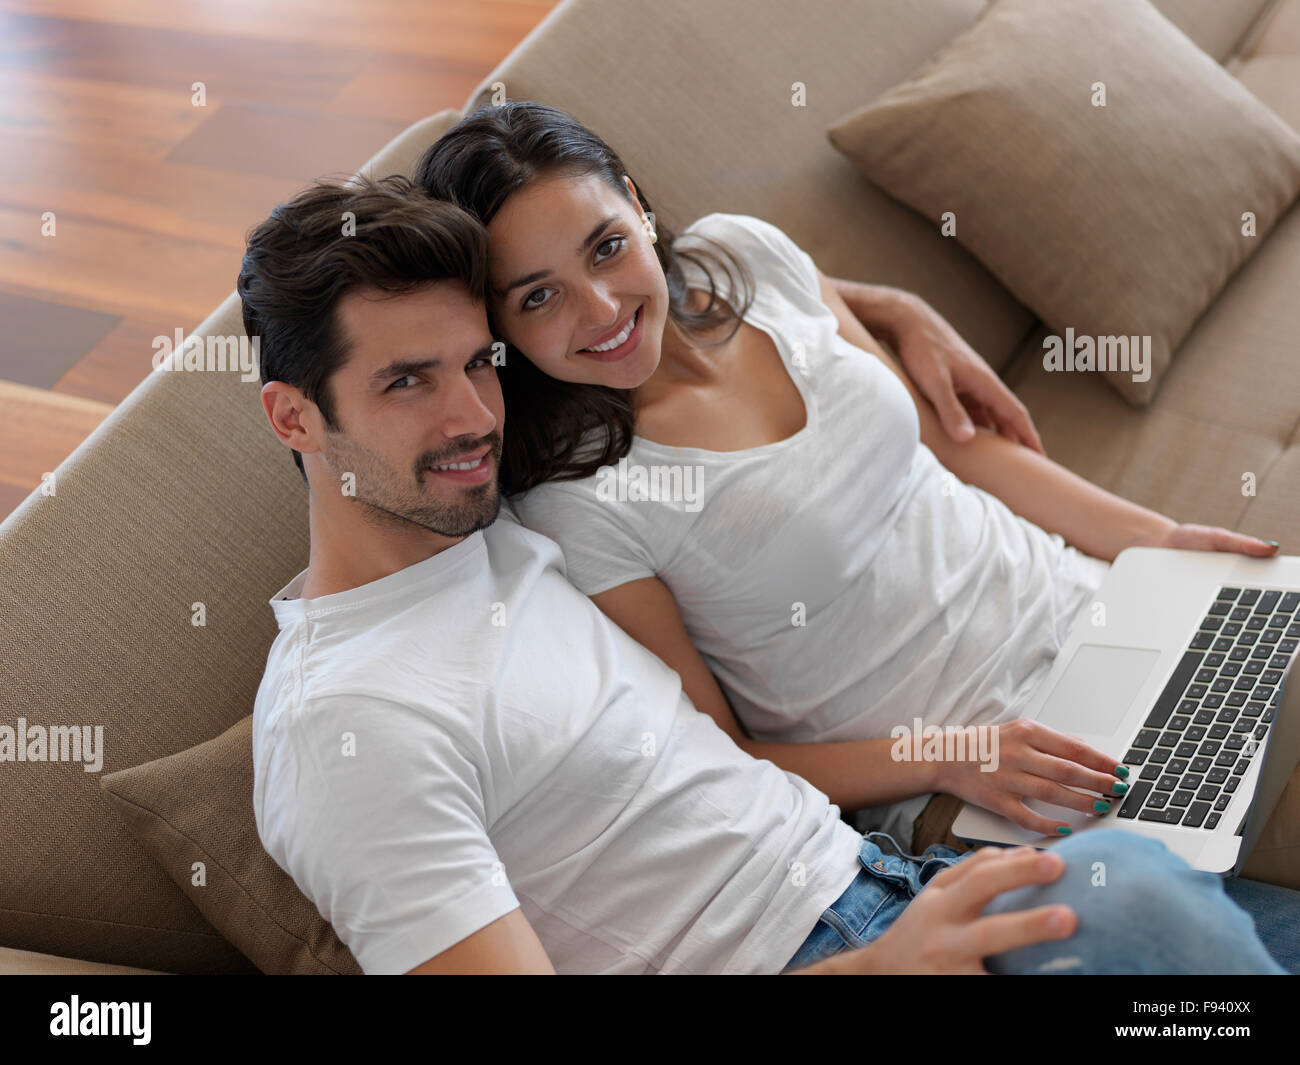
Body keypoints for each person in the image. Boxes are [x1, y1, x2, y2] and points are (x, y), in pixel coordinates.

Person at [241, 175, 1297, 974]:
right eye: (407, 383)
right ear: (293, 416)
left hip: (895, 891)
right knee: (1145, 894)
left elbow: (707, 296)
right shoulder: (349, 730)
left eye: (479, 363)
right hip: (836, 951)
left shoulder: (488, 534)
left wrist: (885, 306)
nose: (472, 417)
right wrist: (875, 965)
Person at [413, 102, 1296, 870]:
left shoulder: (742, 253)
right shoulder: (578, 502)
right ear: (495, 330)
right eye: (537, 298)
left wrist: (1161, 541)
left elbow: (961, 455)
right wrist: (955, 756)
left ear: (639, 206)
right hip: (990, 769)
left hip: (1099, 607)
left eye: (606, 246)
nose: (600, 308)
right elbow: (726, 754)